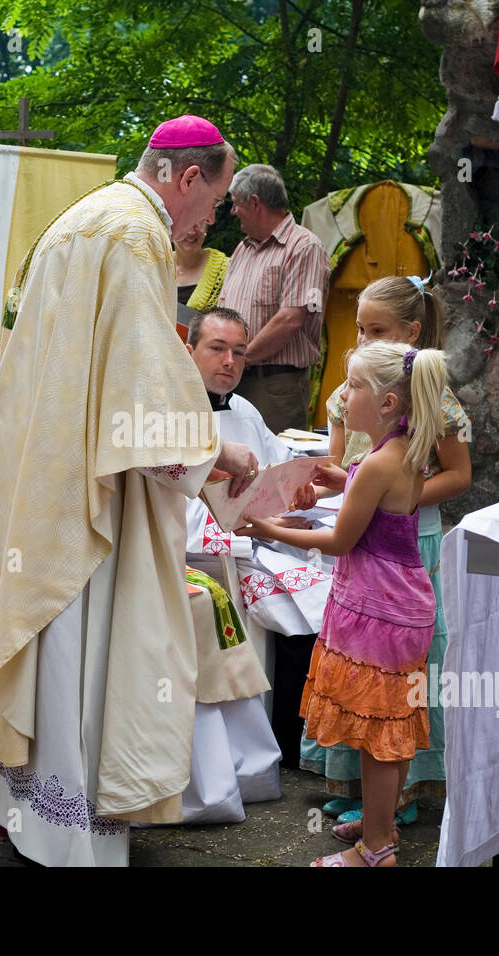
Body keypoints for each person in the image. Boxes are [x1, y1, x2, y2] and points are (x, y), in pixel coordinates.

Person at [0, 114, 261, 867]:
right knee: (82, 654)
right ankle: (72, 842)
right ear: (188, 177)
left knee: (50, 653)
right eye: (214, 200)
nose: (212, 219)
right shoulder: (136, 234)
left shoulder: (82, 218)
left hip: (42, 470)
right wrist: (215, 455)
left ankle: (30, 816)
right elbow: (140, 401)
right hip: (89, 489)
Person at [237, 340, 447, 867]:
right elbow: (380, 500)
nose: (342, 395)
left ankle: (374, 849)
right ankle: (384, 836)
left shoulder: (378, 463)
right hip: (404, 604)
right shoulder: (400, 449)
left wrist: (266, 527)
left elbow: (339, 543)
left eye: (352, 386)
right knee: (391, 728)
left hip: (376, 608)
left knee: (378, 736)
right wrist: (343, 479)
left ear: (387, 405)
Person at [311, 276, 472, 827]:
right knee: (359, 665)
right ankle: (362, 789)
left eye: (376, 330)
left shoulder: (433, 399)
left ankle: (405, 793)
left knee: (408, 669)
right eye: (358, 327)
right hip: (362, 545)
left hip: (412, 543)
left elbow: (458, 474)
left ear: (412, 332)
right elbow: (345, 470)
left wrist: (396, 501)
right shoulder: (348, 391)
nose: (361, 338)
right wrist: (326, 483)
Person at [182, 307, 330, 771]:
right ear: (190, 352)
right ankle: (287, 739)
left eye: (240, 353)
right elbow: (184, 508)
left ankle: (311, 738)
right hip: (218, 552)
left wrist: (297, 494)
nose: (230, 361)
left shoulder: (243, 409)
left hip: (267, 539)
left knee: (331, 588)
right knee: (298, 608)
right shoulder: (176, 418)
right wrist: (263, 527)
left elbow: (280, 467)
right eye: (217, 348)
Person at [217, 164, 330, 433]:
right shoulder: (243, 249)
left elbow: (290, 320)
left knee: (272, 468)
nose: (233, 212)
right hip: (236, 379)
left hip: (274, 388)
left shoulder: (305, 246)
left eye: (236, 204)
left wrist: (240, 360)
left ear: (255, 203)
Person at [175, 221, 228, 309]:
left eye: (199, 222)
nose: (191, 232)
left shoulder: (225, 270)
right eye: (185, 222)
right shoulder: (153, 266)